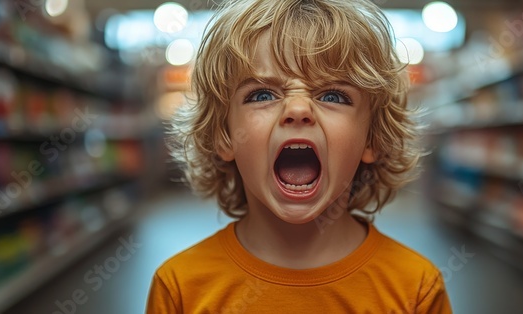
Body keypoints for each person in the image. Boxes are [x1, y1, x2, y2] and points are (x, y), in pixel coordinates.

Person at [151, 0, 451, 312]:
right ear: (224, 136)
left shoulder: (416, 290)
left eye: (333, 95)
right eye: (262, 95)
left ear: (372, 138)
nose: (297, 110)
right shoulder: (180, 289)